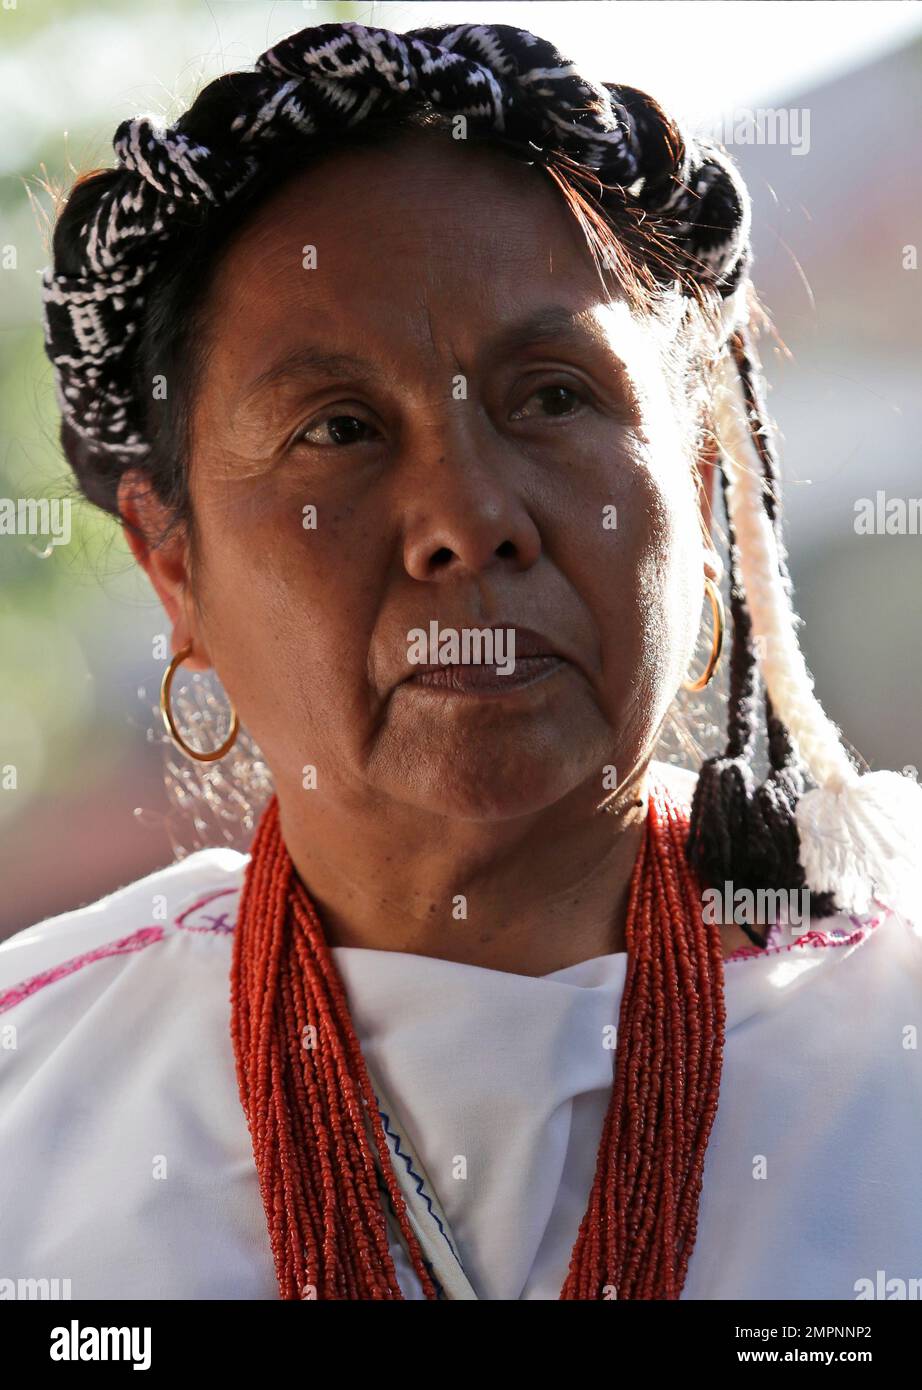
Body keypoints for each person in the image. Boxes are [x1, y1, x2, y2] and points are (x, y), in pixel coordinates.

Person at [2, 19, 920, 1302]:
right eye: (337, 427)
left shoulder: (891, 1032)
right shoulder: (32, 1106)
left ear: (702, 494)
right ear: (174, 564)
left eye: (552, 396)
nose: (465, 515)